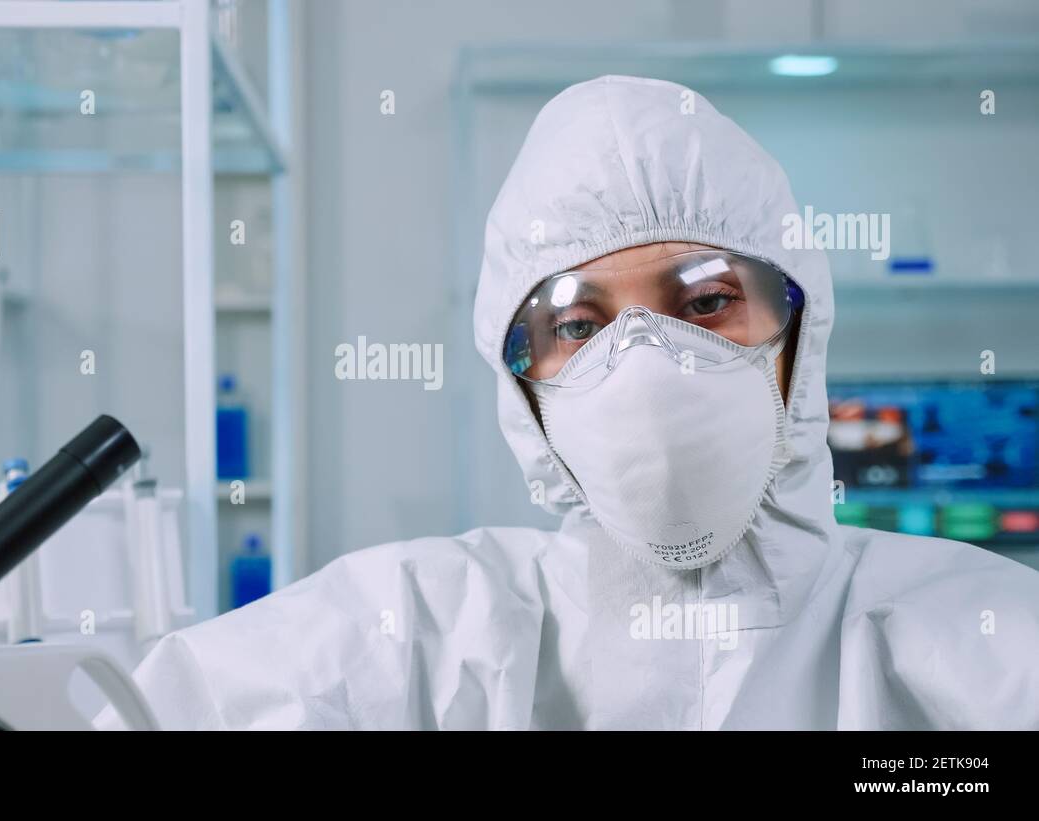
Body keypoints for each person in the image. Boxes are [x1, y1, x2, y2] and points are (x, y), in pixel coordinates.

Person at [101, 75, 1039, 730]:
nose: (648, 370)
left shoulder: (974, 638)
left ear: (800, 336)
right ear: (526, 390)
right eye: (580, 328)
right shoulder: (421, 634)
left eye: (706, 303)